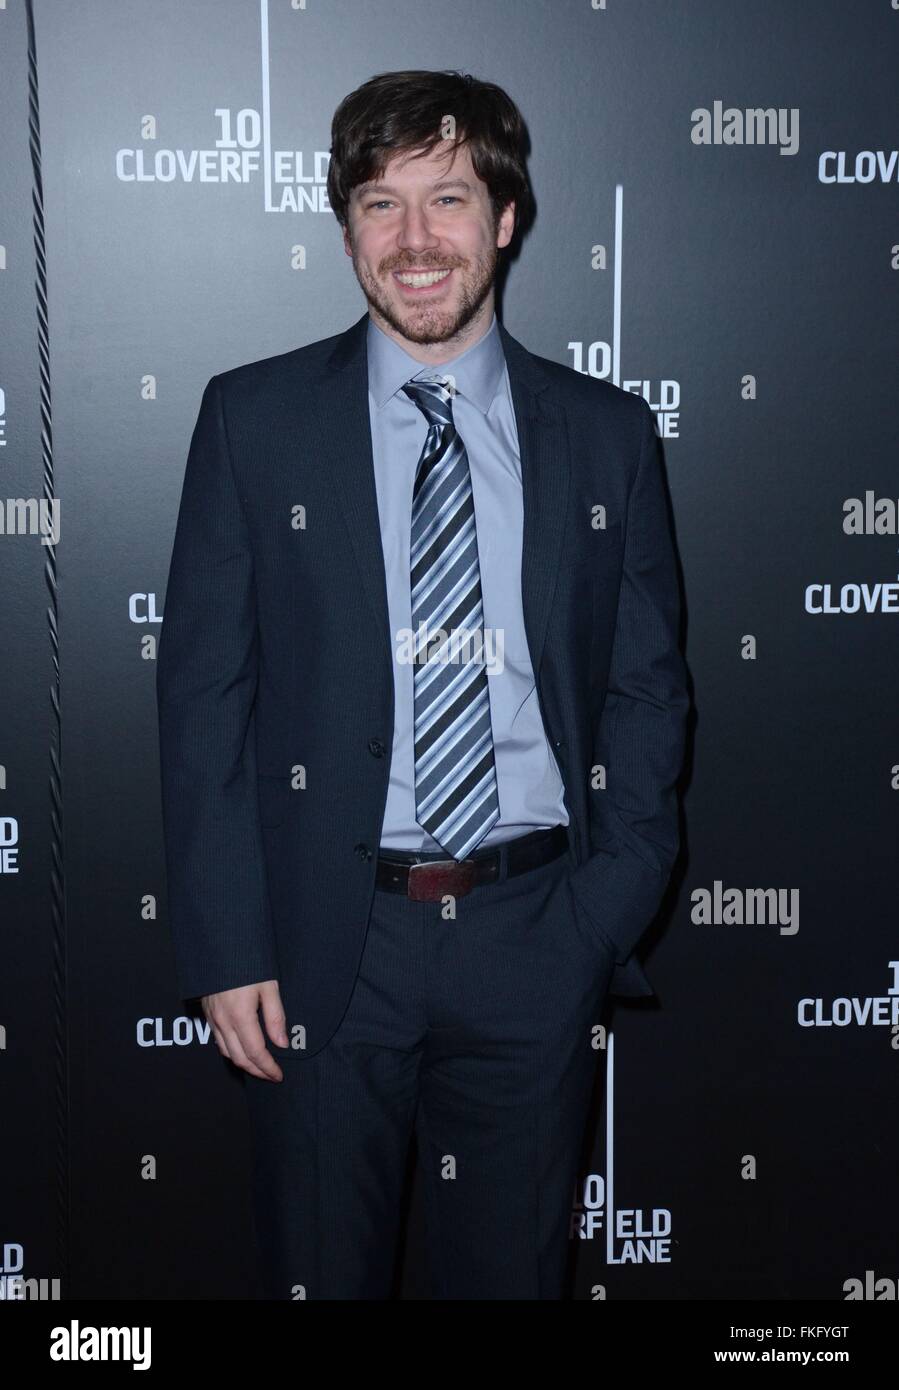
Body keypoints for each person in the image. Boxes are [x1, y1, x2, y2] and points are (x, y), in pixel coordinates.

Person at [156, 68, 689, 1300]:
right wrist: (230, 944)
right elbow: (204, 703)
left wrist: (599, 916)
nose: (413, 241)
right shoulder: (253, 420)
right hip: (325, 945)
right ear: (345, 225)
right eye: (379, 204)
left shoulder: (604, 434)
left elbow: (648, 692)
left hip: (534, 930)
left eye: (446, 198)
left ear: (505, 217)